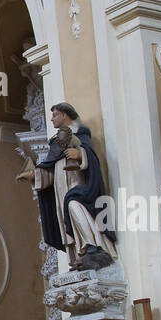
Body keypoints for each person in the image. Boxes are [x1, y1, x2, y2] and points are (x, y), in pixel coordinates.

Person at [17, 102, 118, 271]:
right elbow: (49, 171)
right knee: (69, 213)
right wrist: (34, 175)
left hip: (77, 186)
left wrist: (80, 155)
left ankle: (93, 245)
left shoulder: (79, 134)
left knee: (74, 205)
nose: (52, 119)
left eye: (55, 114)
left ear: (65, 115)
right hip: (62, 192)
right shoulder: (57, 142)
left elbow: (90, 158)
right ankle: (82, 253)